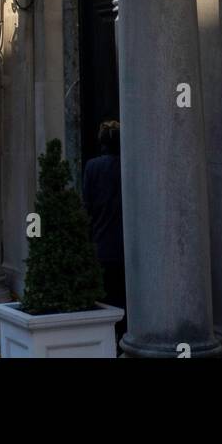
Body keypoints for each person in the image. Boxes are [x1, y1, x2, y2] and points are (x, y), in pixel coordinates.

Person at [82, 119, 126, 339]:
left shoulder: (93, 167)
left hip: (102, 243)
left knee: (108, 301)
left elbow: (86, 206)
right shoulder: (129, 165)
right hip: (128, 246)